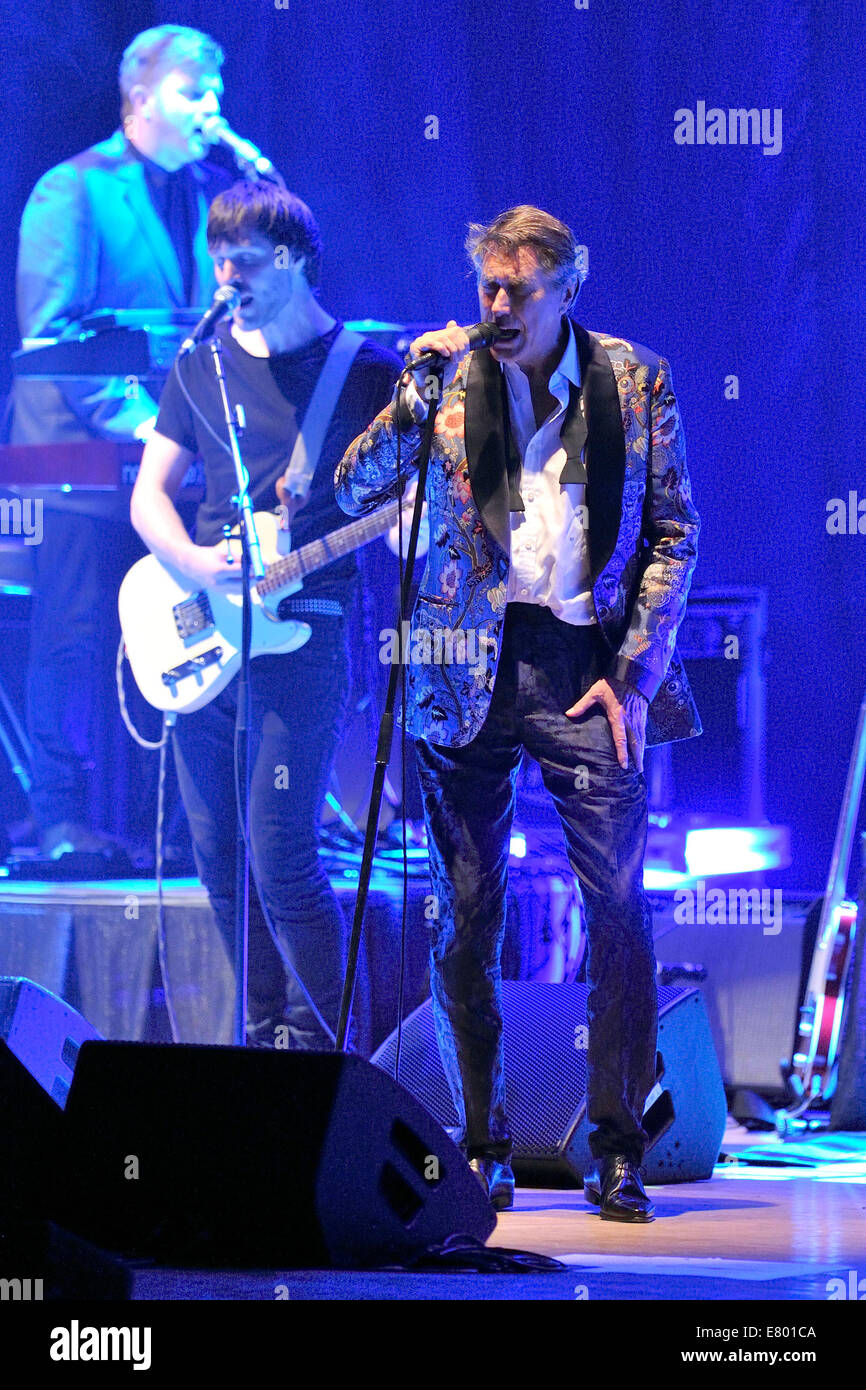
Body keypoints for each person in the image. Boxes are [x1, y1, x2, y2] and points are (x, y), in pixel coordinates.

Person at [336, 205, 701, 1218]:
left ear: (565, 289)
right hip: (462, 668)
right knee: (463, 914)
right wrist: (409, 389)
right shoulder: (445, 382)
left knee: (617, 907)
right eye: (486, 289)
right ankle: (482, 1140)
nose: (497, 307)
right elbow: (351, 484)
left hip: (583, 663)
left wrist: (631, 673)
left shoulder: (632, 380)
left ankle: (618, 1147)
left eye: (518, 292)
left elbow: (674, 530)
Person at [131, 181, 401, 1047]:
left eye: (241, 258)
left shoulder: (364, 370)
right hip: (201, 626)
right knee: (219, 863)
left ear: (291, 258)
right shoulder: (199, 365)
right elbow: (149, 500)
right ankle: (261, 1039)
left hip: (305, 631)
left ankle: (333, 1055)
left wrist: (418, 527)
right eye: (216, 258)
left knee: (281, 853)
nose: (225, 275)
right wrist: (194, 561)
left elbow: (403, 514)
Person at [10, 24, 231, 856]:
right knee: (70, 635)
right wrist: (149, 426)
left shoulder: (216, 194)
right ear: (140, 100)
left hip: (166, 460)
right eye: (192, 92)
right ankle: (63, 821)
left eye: (217, 92)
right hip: (68, 458)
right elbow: (52, 340)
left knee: (187, 628)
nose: (212, 109)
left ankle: (182, 826)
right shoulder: (70, 189)